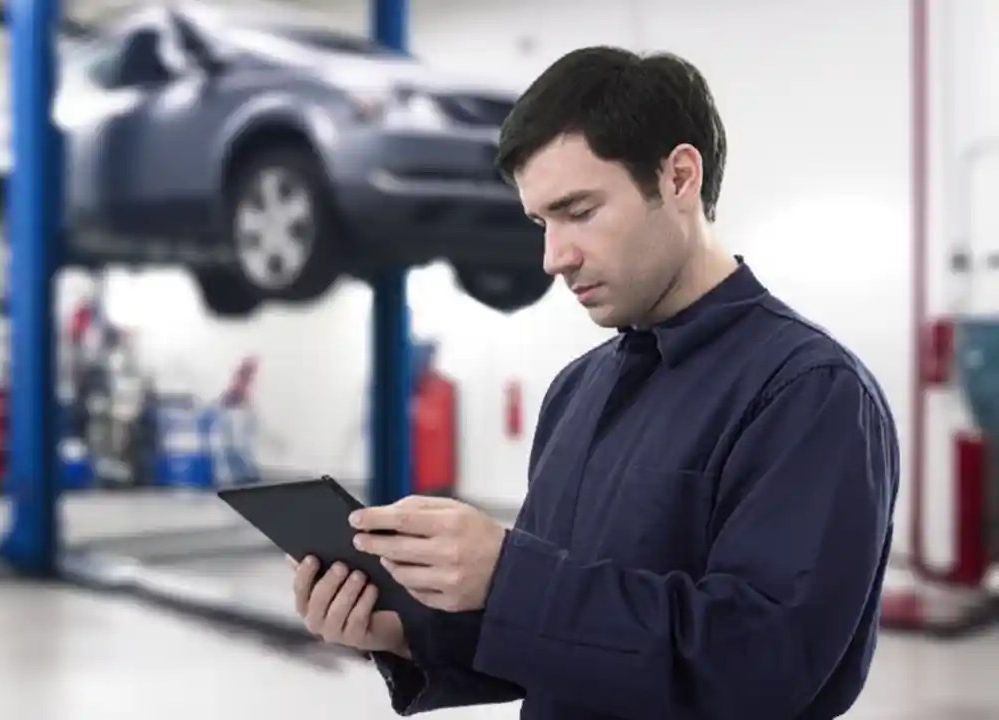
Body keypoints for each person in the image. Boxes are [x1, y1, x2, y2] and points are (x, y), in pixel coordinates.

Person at [288, 45, 899, 719]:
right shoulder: (577, 390)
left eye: (578, 212)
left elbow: (759, 664)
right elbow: (557, 641)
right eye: (541, 223)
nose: (554, 257)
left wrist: (509, 577)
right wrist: (404, 633)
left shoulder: (808, 393)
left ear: (679, 177)